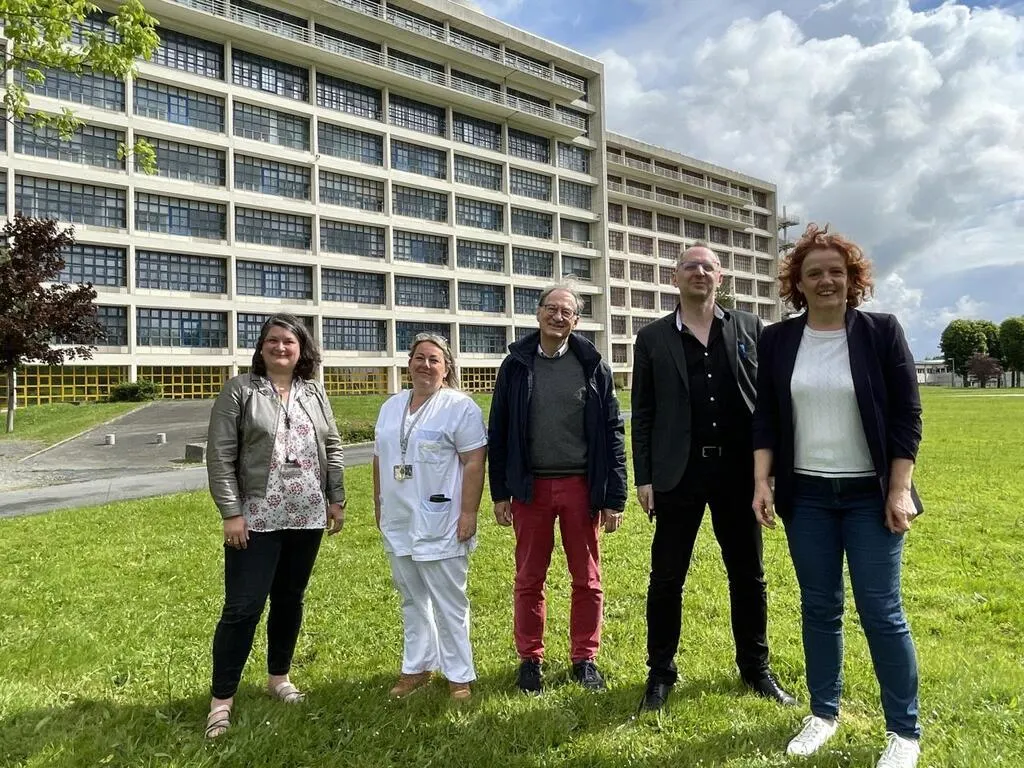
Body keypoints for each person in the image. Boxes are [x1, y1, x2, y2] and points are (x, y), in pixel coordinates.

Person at [751, 224, 923, 768]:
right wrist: (761, 480)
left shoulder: (880, 332)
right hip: (809, 497)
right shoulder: (778, 340)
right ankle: (823, 713)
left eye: (836, 272)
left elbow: (906, 418)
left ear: (853, 280)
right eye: (813, 273)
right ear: (797, 285)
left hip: (871, 498)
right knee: (819, 607)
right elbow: (767, 417)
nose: (826, 280)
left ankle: (904, 731)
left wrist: (899, 491)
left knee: (881, 610)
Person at [631, 242, 795, 712]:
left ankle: (755, 669)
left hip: (738, 471)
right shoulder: (652, 338)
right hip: (676, 473)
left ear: (720, 278)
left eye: (708, 267)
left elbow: (768, 403)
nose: (699, 273)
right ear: (675, 277)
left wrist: (768, 471)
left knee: (749, 576)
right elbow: (642, 413)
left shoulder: (749, 327)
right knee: (666, 578)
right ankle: (660, 674)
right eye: (690, 266)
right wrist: (645, 476)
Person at [204, 313, 346, 739]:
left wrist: (335, 498)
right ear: (261, 347)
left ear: (302, 349)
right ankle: (221, 700)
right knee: (243, 606)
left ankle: (278, 678)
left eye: (289, 341)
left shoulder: (314, 392)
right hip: (257, 518)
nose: (280, 347)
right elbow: (220, 455)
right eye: (272, 340)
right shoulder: (240, 390)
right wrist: (232, 512)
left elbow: (332, 445)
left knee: (290, 599)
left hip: (306, 515)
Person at [488, 283, 627, 694]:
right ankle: (530, 659)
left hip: (581, 487)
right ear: (538, 313)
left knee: (587, 579)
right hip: (530, 490)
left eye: (567, 311)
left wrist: (614, 497)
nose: (558, 316)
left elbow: (613, 432)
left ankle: (584, 659)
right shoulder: (515, 364)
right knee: (529, 578)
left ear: (577, 321)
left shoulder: (592, 365)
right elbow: (499, 431)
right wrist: (500, 492)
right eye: (552, 308)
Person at [373, 333, 487, 702]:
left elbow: (474, 460)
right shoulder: (391, 406)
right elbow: (380, 457)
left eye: (434, 359)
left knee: (449, 600)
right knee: (411, 597)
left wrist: (468, 512)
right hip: (400, 517)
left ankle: (458, 675)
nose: (425, 365)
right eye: (419, 357)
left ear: (446, 367)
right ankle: (417, 666)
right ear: (408, 363)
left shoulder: (459, 407)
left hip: (443, 517)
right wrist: (379, 504)